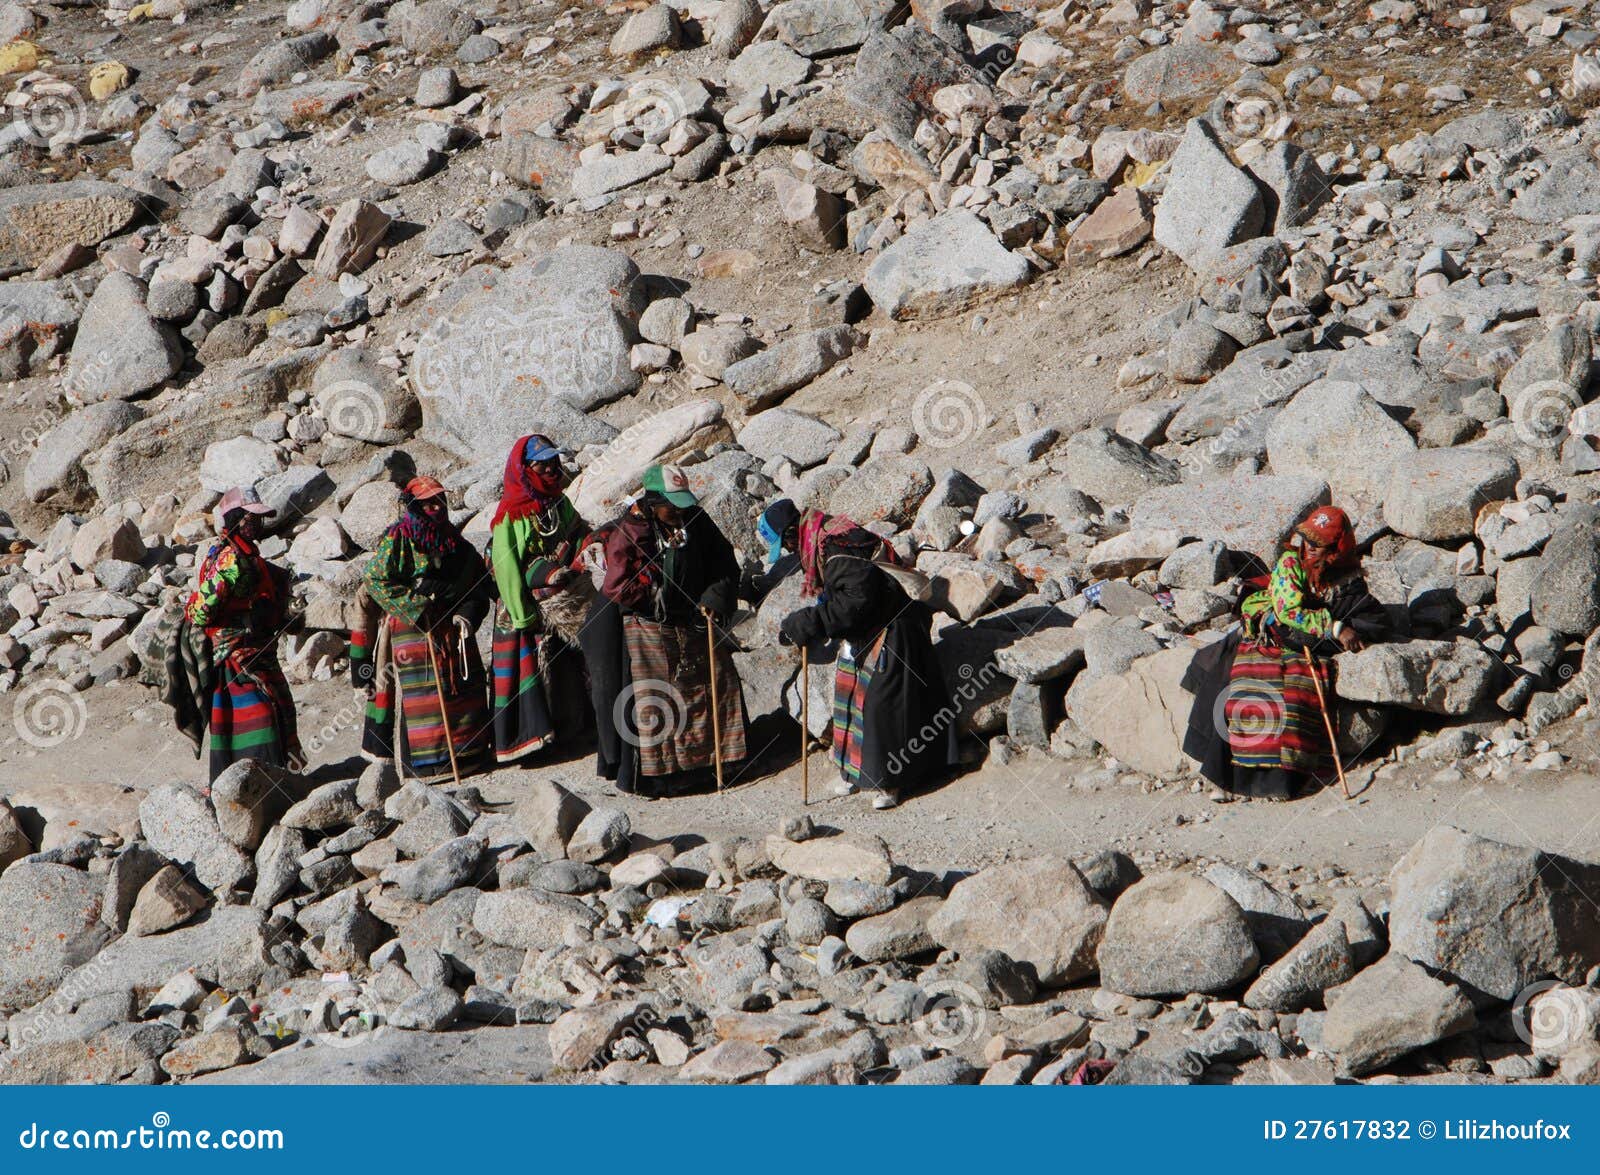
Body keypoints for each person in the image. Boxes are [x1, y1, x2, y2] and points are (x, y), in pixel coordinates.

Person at [1182, 504, 1387, 799]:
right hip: (1274, 628)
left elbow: (1360, 608)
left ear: (1337, 550)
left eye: (1319, 545)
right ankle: (1225, 777)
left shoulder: (1347, 576)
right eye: (1308, 542)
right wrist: (1335, 629)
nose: (1310, 550)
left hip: (1301, 641)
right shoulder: (1290, 564)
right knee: (1244, 681)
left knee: (1295, 693)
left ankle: (1279, 782)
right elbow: (1288, 610)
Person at [764, 499, 955, 810]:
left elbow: (854, 604)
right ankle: (853, 772)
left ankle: (889, 781)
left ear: (789, 535)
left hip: (894, 630)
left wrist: (804, 624)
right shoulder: (825, 539)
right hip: (867, 630)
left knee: (882, 707)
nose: (788, 552)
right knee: (848, 701)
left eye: (785, 546)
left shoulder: (837, 551)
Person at [579, 464, 746, 796]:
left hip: (696, 620)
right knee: (655, 702)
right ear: (652, 501)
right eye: (672, 504)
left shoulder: (694, 520)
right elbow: (618, 586)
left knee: (717, 685)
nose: (679, 510)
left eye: (683, 502)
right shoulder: (630, 532)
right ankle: (662, 777)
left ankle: (716, 763)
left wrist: (713, 597)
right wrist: (658, 601)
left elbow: (723, 561)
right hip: (647, 627)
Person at [359, 476, 492, 783]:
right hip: (414, 626)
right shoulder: (400, 537)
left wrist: (466, 615)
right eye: (429, 503)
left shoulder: (454, 540)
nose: (437, 507)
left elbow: (476, 580)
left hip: (450, 625)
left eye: (440, 501)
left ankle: (468, 757)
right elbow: (374, 579)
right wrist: (417, 605)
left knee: (459, 686)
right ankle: (429, 766)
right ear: (416, 508)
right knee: (424, 695)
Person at [183, 486, 301, 783]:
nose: (257, 524)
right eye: (251, 518)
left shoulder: (249, 555)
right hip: (235, 654)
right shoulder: (229, 560)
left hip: (258, 649)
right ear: (235, 519)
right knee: (260, 712)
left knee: (278, 706)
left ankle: (278, 780)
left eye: (258, 519)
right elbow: (201, 612)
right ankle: (252, 784)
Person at [486, 435, 591, 765]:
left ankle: (573, 731)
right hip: (524, 608)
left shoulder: (559, 504)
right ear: (524, 469)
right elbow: (505, 568)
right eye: (541, 464)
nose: (550, 469)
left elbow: (577, 532)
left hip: (564, 598)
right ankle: (530, 743)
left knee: (567, 670)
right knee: (531, 673)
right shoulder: (510, 515)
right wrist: (522, 615)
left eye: (553, 463)